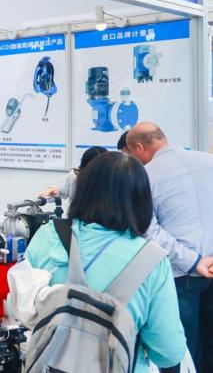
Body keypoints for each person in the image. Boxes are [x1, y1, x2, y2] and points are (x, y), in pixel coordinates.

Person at [24, 151, 188, 372]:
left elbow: (21, 306)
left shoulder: (49, 235)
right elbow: (167, 352)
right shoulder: (152, 260)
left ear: (83, 191)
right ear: (141, 201)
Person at [126, 122, 213, 370]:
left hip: (179, 277)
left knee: (182, 354)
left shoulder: (146, 175)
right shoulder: (208, 161)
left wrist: (194, 262)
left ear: (139, 147)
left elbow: (148, 231)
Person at [40, 146, 107, 201]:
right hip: (78, 213)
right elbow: (57, 188)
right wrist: (52, 190)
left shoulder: (110, 180)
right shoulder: (75, 177)